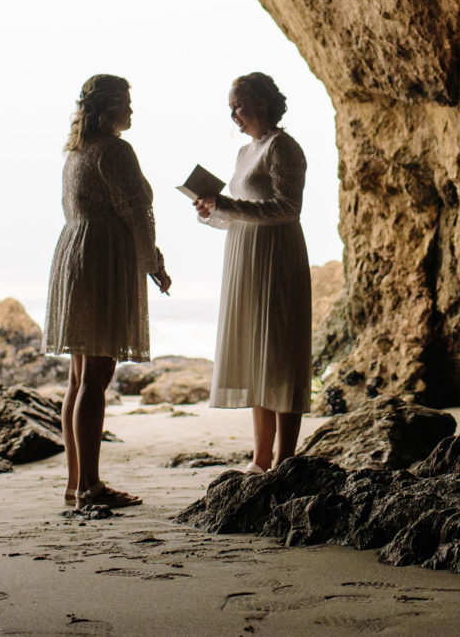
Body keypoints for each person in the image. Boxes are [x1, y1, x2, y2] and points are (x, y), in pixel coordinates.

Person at [45, 74, 171, 508]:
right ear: (108, 109)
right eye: (126, 103)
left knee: (78, 379)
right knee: (95, 379)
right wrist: (151, 262)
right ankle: (91, 488)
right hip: (102, 260)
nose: (132, 111)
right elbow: (137, 211)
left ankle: (75, 483)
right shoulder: (115, 151)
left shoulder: (77, 153)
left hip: (76, 253)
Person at [195, 72, 312, 473]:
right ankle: (260, 458)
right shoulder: (246, 152)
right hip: (245, 254)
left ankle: (285, 459)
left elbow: (286, 208)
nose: (233, 115)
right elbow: (240, 212)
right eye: (230, 108)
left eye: (238, 106)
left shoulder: (284, 147)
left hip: (277, 255)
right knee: (256, 356)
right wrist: (213, 211)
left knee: (279, 354)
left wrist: (228, 204)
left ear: (260, 104)